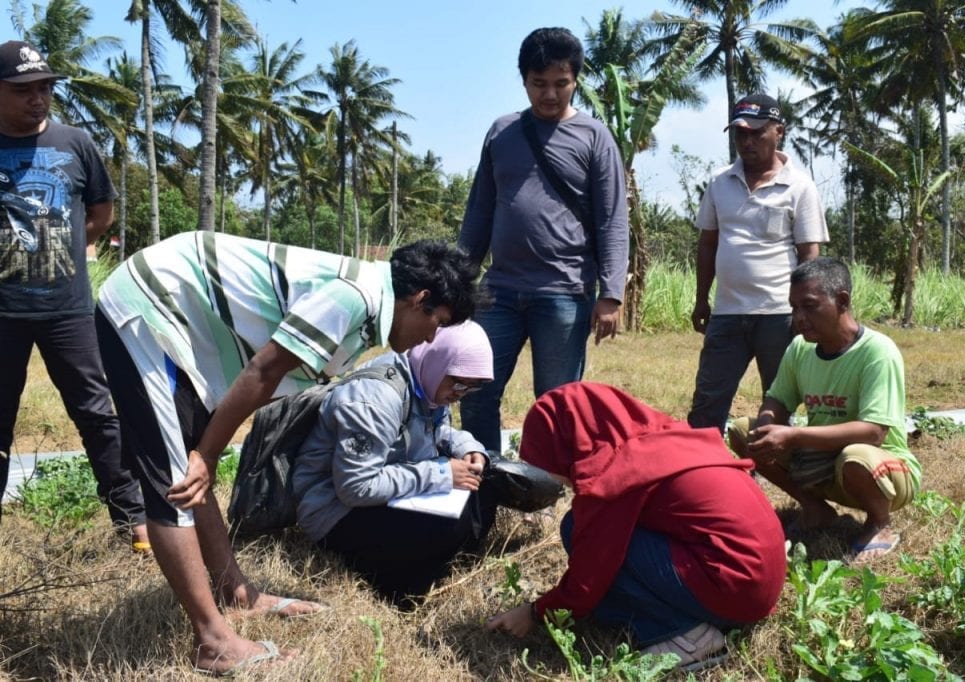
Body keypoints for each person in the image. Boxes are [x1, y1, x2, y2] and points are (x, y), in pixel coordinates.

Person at [94, 231, 481, 676]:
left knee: (190, 464)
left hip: (183, 319)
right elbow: (266, 368)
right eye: (438, 323)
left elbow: (272, 380)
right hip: (149, 305)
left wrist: (206, 449)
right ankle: (213, 641)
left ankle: (234, 592)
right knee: (175, 480)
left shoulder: (367, 311)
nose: (431, 338)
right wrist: (208, 452)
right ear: (420, 298)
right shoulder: (353, 296)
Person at [485, 382, 787, 673]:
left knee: (576, 531)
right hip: (761, 579)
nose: (553, 476)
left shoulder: (619, 473)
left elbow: (590, 576)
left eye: (547, 462)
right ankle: (704, 616)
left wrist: (536, 613)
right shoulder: (663, 441)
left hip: (737, 586)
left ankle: (687, 637)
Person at [0, 40, 147, 548]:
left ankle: (133, 524)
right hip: (2, 314)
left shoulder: (75, 142)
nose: (38, 98)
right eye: (23, 90)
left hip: (68, 310)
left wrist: (55, 252)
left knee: (98, 414)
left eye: (44, 88)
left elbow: (100, 212)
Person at [458, 26, 629, 452]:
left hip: (564, 292)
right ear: (524, 80)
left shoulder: (594, 136)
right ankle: (486, 479)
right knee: (474, 390)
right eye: (539, 84)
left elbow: (612, 219)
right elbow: (480, 210)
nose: (550, 94)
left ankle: (544, 485)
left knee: (556, 404)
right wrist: (459, 279)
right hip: (499, 291)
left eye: (561, 84)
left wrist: (611, 294)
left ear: (575, 80)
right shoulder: (502, 132)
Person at [728, 258, 922, 564]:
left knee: (855, 456)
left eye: (809, 306)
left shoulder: (877, 352)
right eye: (794, 308)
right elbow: (777, 400)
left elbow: (874, 432)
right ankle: (815, 508)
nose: (799, 318)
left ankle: (879, 523)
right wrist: (766, 427)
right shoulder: (800, 349)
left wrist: (793, 436)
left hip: (880, 468)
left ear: (842, 301)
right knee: (742, 431)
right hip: (824, 464)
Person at [294, 320, 497, 603]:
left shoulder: (425, 378)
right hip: (334, 509)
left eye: (470, 389)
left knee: (487, 481)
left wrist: (467, 448)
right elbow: (356, 487)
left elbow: (431, 430)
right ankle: (400, 591)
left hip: (385, 488)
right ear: (438, 359)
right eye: (458, 382)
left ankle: (431, 567)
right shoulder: (374, 399)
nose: (459, 394)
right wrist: (440, 473)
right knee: (442, 528)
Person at [688, 93, 829, 434]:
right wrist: (702, 299)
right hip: (727, 313)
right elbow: (707, 245)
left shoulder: (799, 187)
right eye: (740, 135)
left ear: (778, 131)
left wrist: (804, 312)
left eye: (757, 133)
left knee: (777, 400)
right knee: (708, 400)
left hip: (778, 315)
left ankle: (774, 466)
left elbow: (810, 255)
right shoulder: (720, 183)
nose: (747, 142)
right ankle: (699, 473)